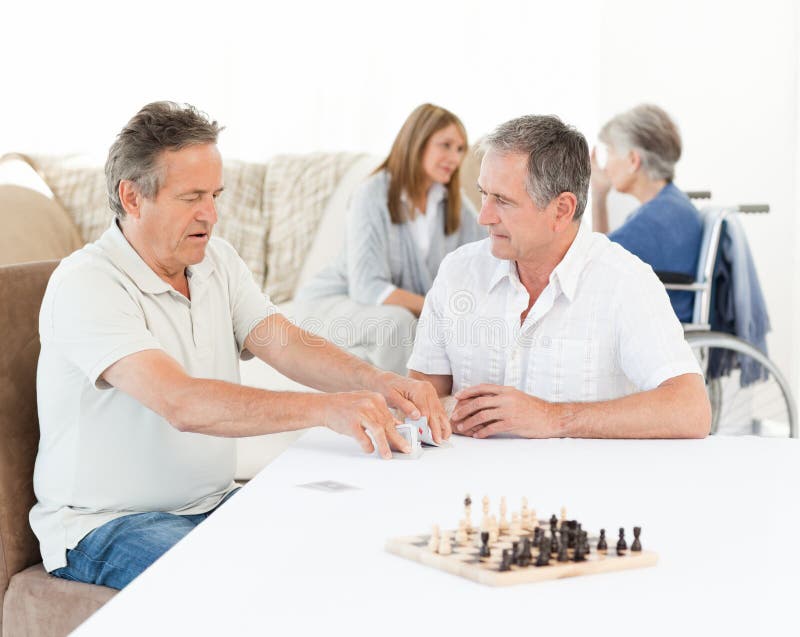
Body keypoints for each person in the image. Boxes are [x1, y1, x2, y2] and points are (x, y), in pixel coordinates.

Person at [31, 102, 449, 590]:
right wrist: (326, 409)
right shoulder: (88, 282)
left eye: (215, 195)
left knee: (346, 545)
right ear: (132, 197)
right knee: (242, 585)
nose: (210, 214)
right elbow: (181, 402)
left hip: (214, 501)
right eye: (191, 197)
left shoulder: (216, 262)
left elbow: (285, 342)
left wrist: (381, 382)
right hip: (108, 523)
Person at [407, 114, 711, 439]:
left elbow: (690, 411)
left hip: (580, 486)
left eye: (503, 201)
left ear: (562, 210)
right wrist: (434, 413)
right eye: (484, 194)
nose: (484, 216)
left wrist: (553, 418)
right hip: (472, 485)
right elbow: (419, 401)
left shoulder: (625, 282)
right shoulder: (458, 272)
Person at [294, 103, 485, 374]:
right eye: (445, 145)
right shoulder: (372, 194)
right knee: (398, 324)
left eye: (460, 149)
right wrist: (438, 310)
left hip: (396, 313)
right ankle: (411, 411)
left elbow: (487, 252)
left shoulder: (453, 202)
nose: (454, 158)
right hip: (336, 301)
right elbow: (367, 287)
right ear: (417, 142)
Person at [591, 104, 703, 323]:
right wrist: (599, 196)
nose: (605, 166)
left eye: (610, 152)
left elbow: (592, 267)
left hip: (654, 324)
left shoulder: (657, 218)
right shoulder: (669, 205)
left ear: (633, 160)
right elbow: (602, 256)